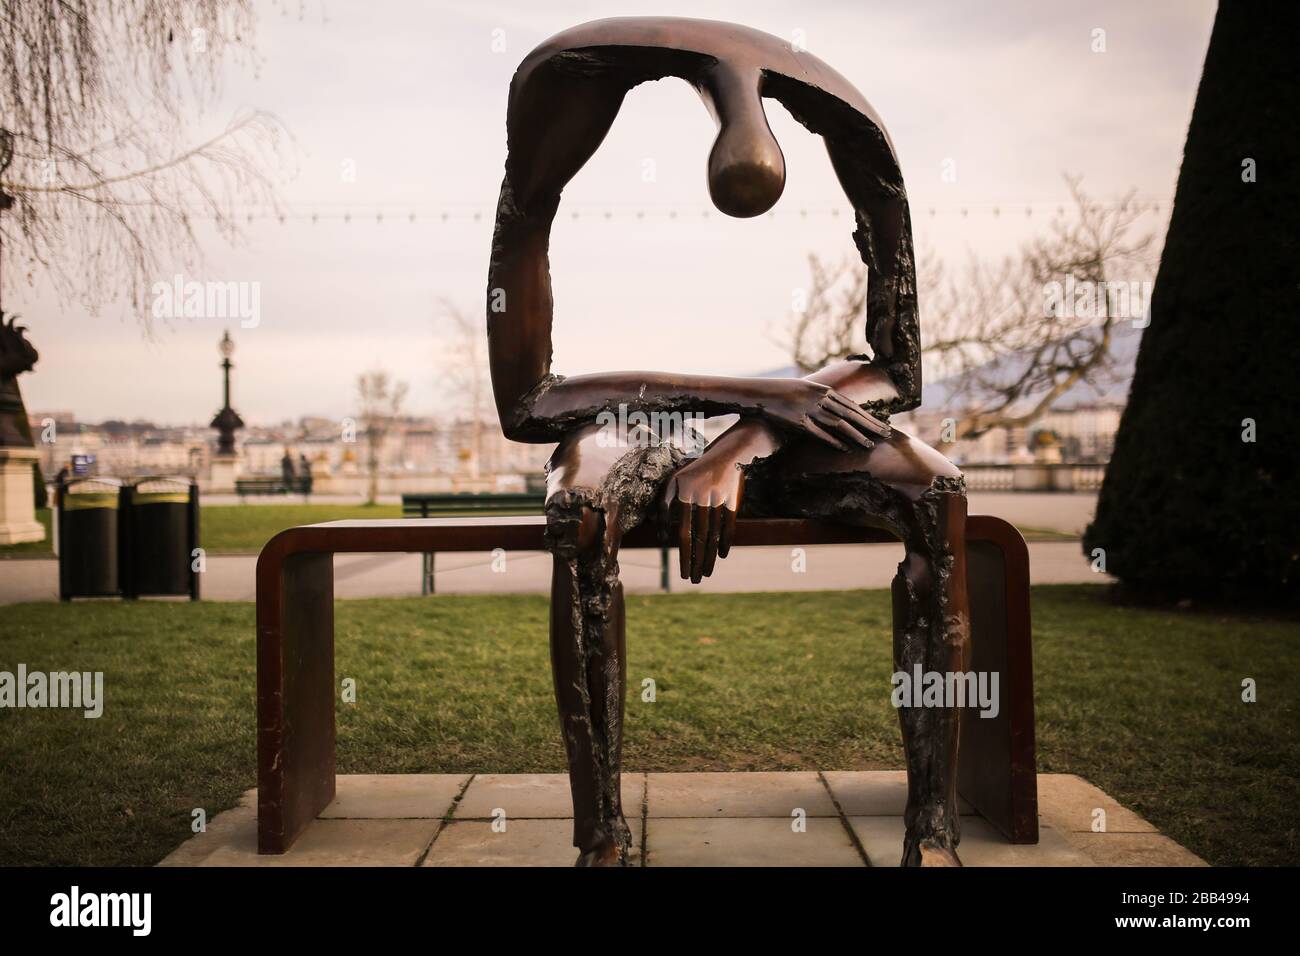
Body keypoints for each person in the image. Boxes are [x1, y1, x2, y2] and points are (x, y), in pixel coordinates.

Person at [487, 19, 970, 867]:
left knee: (938, 494)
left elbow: (899, 371)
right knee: (579, 513)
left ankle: (933, 829)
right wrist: (761, 397)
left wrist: (742, 440)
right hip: (634, 420)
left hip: (773, 426)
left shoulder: (854, 131)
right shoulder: (561, 85)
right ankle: (600, 835)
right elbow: (529, 403)